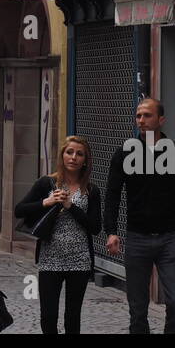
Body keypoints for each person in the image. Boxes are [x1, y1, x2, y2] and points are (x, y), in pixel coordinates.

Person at [104, 97, 175, 334]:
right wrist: (111, 231)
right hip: (137, 238)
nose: (141, 120)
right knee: (137, 307)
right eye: (138, 116)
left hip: (168, 238)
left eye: (147, 115)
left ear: (161, 119)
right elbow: (112, 195)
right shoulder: (124, 153)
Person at [16, 135, 103, 334]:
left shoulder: (91, 190)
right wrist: (46, 202)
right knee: (48, 315)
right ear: (62, 155)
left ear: (85, 160)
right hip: (50, 258)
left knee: (73, 316)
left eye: (79, 154)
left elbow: (95, 227)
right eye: (69, 152)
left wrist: (70, 206)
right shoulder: (46, 183)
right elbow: (19, 210)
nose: (73, 157)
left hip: (79, 260)